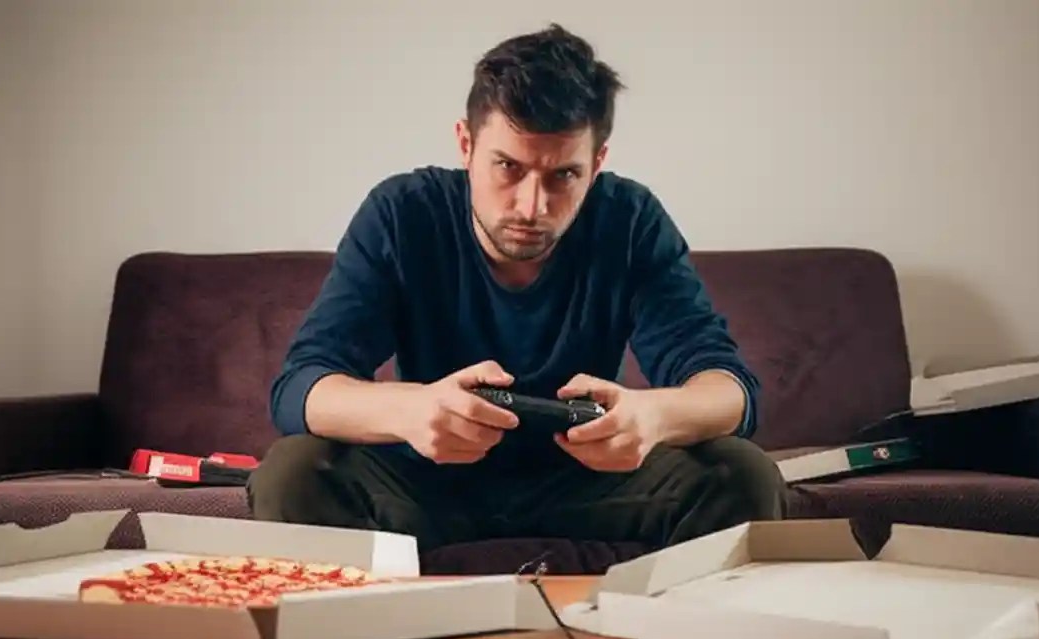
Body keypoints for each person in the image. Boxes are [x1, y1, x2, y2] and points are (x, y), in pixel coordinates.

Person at [248, 23, 784, 554]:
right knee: (293, 471)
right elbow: (302, 387)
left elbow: (731, 389)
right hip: (425, 485)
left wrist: (653, 417)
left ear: (597, 164)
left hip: (589, 487)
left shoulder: (630, 219)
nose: (532, 207)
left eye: (563, 177)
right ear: (466, 144)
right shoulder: (401, 213)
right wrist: (410, 411)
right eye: (507, 166)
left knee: (742, 471)